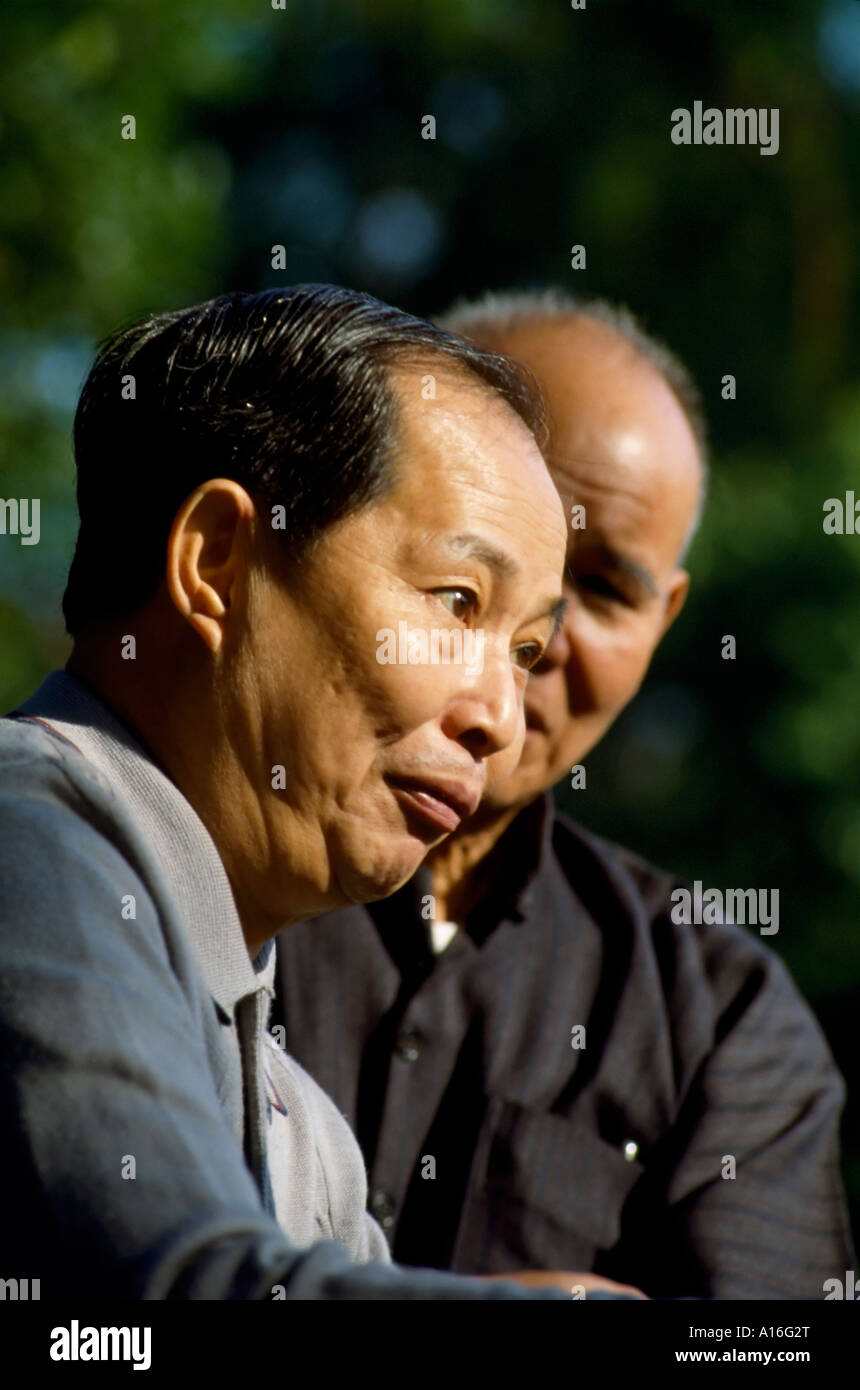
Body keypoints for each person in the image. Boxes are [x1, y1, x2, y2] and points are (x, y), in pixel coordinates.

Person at [0, 283, 639, 1301]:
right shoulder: (28, 833)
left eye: (523, 651)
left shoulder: (314, 1147)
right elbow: (160, 1290)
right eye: (456, 602)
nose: (502, 721)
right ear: (215, 561)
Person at [275, 289, 856, 1299]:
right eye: (479, 559)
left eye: (604, 587)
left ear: (665, 620)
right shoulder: (183, 875)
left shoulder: (717, 1017)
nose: (535, 636)